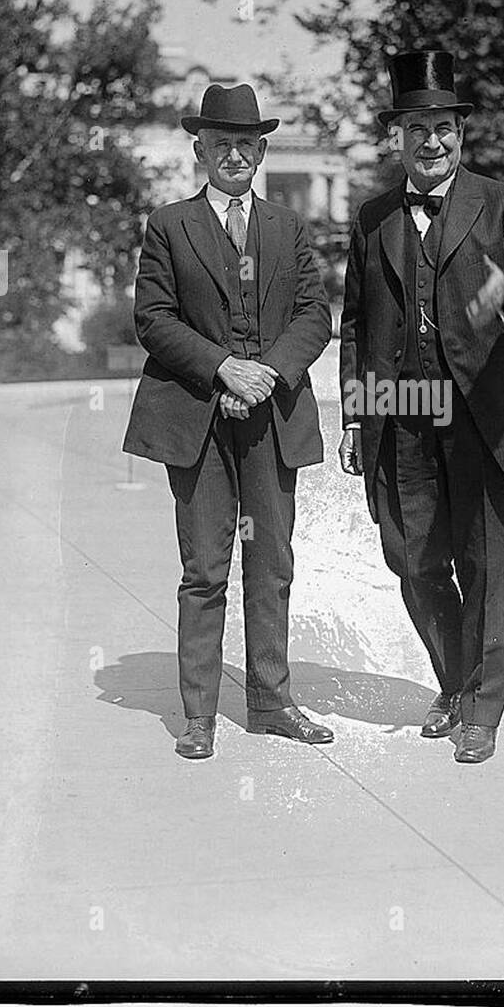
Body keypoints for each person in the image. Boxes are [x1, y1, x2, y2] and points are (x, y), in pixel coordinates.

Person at [339, 50, 504, 764]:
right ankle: (454, 679)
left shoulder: (502, 202)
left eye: (444, 127)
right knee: (413, 559)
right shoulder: (374, 216)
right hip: (401, 415)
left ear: (460, 133)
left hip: (485, 418)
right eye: (417, 129)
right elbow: (355, 321)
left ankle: (482, 711)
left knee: (491, 566)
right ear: (397, 138)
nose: (432, 141)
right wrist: (355, 411)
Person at [124, 82, 333, 759]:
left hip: (272, 415)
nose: (235, 154)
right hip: (197, 420)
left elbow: (315, 316)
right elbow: (152, 320)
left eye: (246, 143)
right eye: (222, 144)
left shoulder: (287, 228)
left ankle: (272, 704)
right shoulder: (168, 225)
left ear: (262, 150)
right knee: (205, 570)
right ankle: (200, 718)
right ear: (200, 151)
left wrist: (265, 371)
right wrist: (223, 369)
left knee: (271, 565)